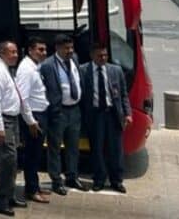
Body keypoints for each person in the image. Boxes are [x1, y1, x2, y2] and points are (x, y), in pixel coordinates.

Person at [0, 41, 39, 216]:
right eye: (12, 52)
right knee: (8, 161)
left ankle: (9, 195)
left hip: (12, 119)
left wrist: (30, 120)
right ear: (2, 53)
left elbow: (19, 97)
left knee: (13, 161)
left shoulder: (6, 68)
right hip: (3, 120)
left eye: (16, 52)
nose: (16, 55)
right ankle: (1, 200)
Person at [39, 33, 88, 195]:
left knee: (73, 147)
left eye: (71, 47)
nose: (70, 51)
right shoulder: (47, 65)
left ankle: (72, 177)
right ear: (58, 48)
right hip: (58, 112)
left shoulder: (74, 59)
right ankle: (56, 180)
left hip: (74, 110)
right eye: (66, 48)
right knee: (55, 148)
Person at [80, 43, 132, 193]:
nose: (103, 58)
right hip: (95, 115)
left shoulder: (115, 70)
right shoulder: (83, 70)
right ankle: (99, 179)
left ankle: (117, 180)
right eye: (99, 55)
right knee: (96, 149)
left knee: (116, 149)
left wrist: (127, 113)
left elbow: (123, 94)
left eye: (105, 55)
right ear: (92, 56)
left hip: (113, 114)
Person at [15, 37, 50, 204]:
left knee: (37, 154)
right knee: (32, 155)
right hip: (34, 117)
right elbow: (23, 98)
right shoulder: (26, 70)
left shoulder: (35, 66)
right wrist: (31, 121)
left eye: (44, 50)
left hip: (40, 114)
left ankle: (35, 185)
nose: (44, 53)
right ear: (30, 50)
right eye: (40, 50)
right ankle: (31, 190)